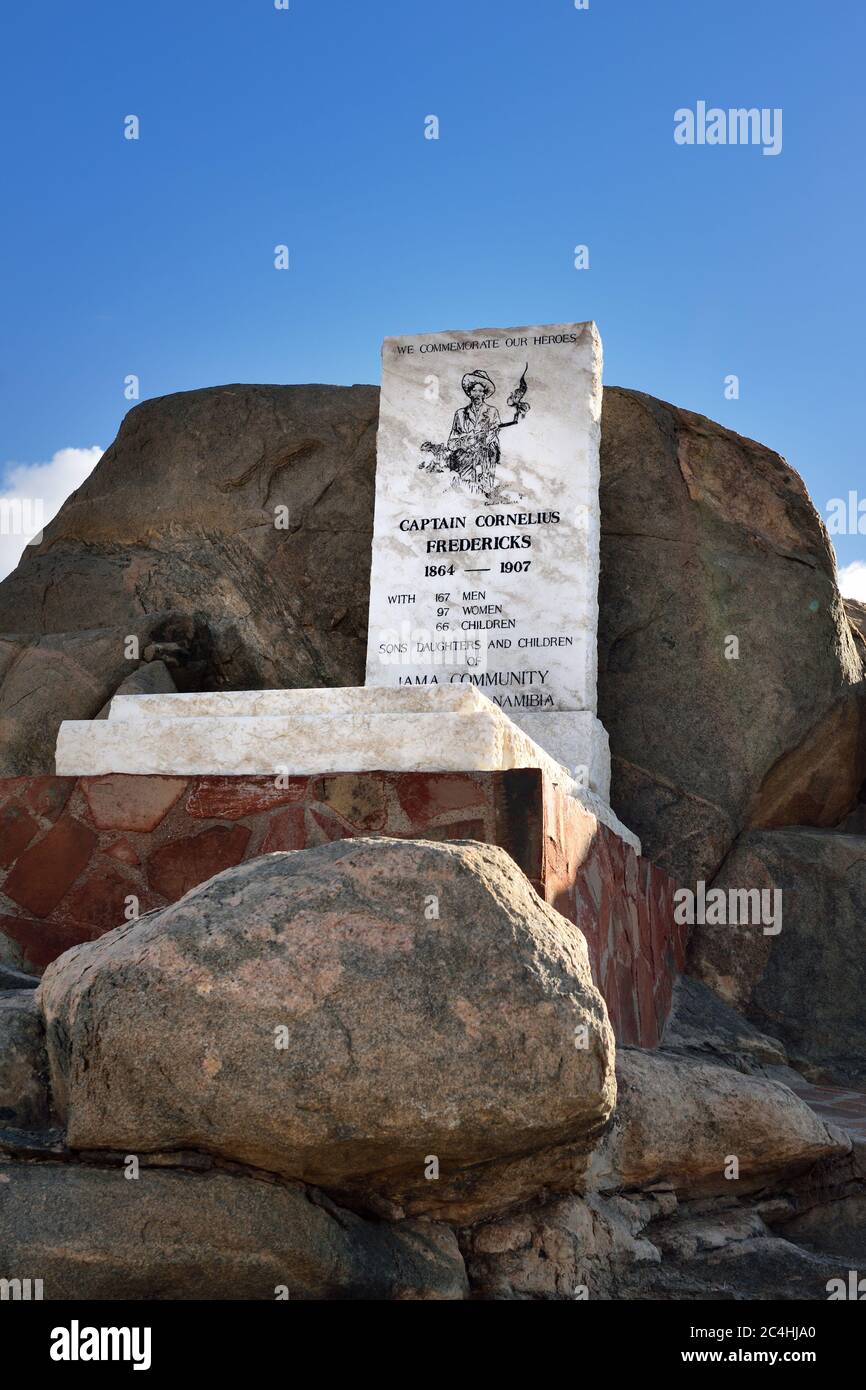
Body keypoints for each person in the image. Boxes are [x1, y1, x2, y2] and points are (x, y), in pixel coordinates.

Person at [447, 370, 501, 495]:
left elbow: (493, 436)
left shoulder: (492, 412)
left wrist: (481, 440)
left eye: (481, 391)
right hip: (465, 458)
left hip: (485, 459)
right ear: (469, 392)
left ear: (484, 393)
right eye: (474, 390)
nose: (477, 394)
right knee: (466, 492)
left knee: (483, 493)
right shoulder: (460, 414)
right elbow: (451, 443)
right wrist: (466, 441)